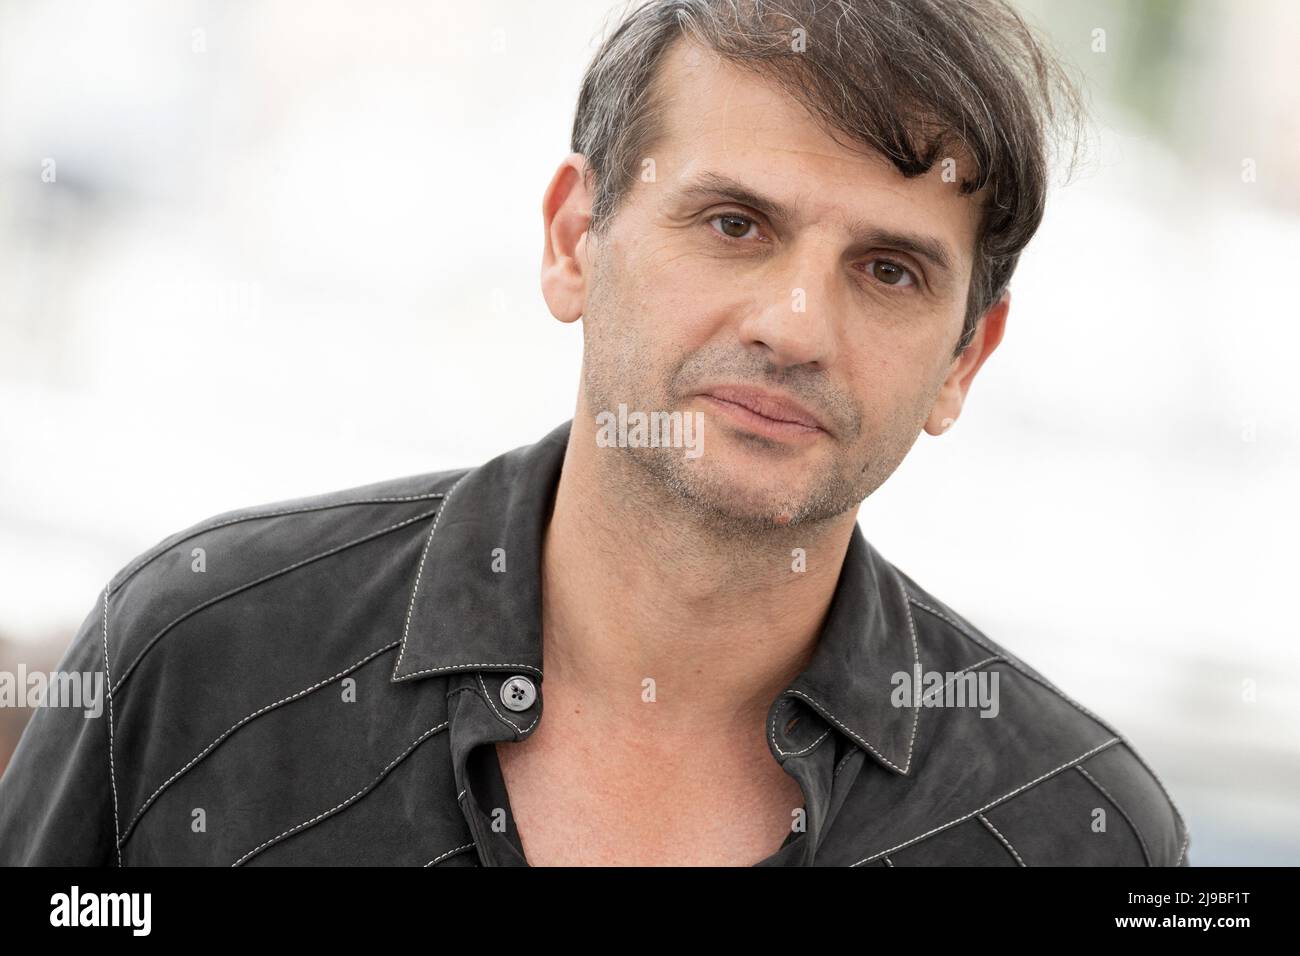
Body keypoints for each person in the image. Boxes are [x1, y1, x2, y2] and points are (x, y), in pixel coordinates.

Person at [0, 0, 1189, 866]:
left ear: (964, 358)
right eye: (733, 224)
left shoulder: (1075, 830)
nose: (795, 325)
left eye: (887, 269)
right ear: (576, 240)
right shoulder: (199, 656)